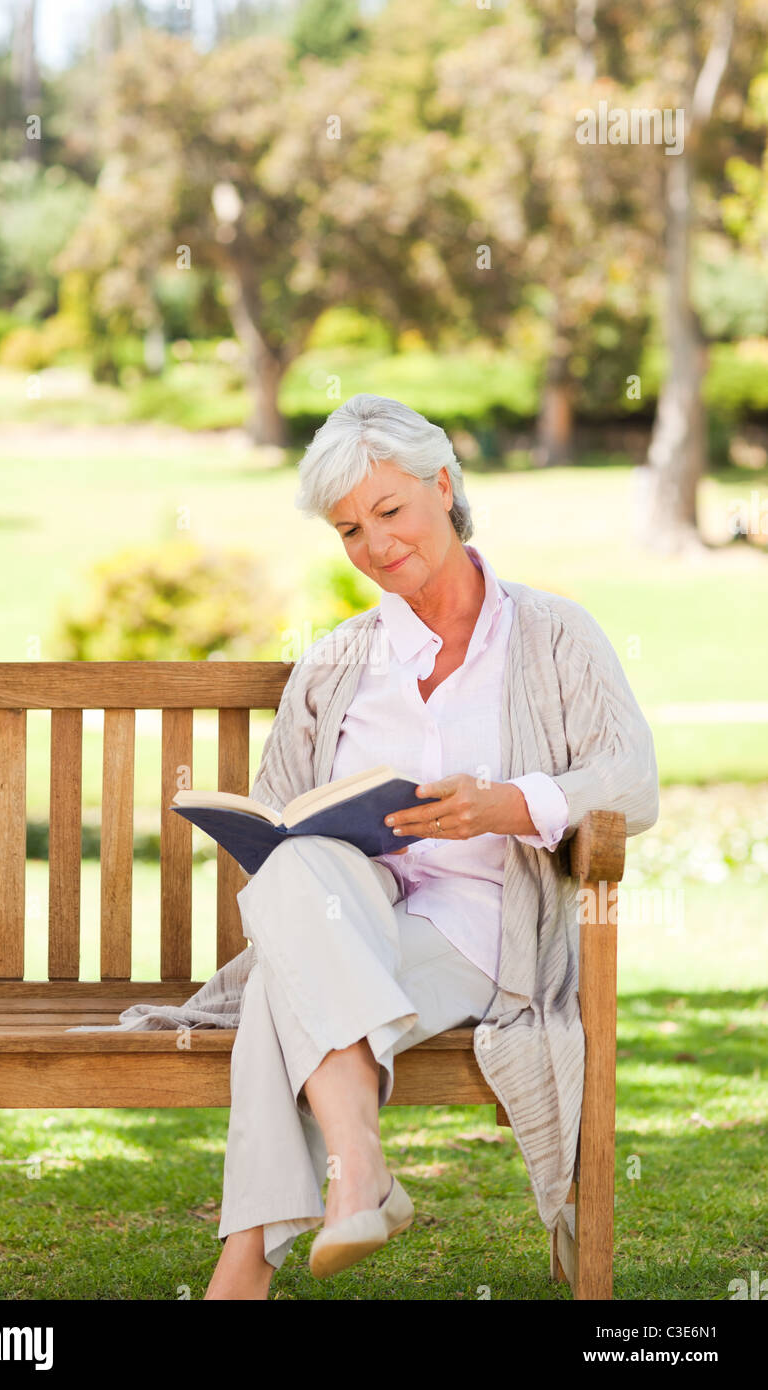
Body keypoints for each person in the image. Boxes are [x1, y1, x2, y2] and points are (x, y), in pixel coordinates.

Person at [204, 394, 659, 1300]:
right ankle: (360, 1170)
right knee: (300, 869)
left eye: (389, 511)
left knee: (281, 1000)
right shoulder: (335, 661)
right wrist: (288, 835)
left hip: (484, 934)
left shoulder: (554, 634)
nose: (374, 547)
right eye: (348, 531)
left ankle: (249, 1268)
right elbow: (275, 811)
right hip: (349, 916)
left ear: (443, 487)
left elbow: (632, 778)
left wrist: (509, 803)